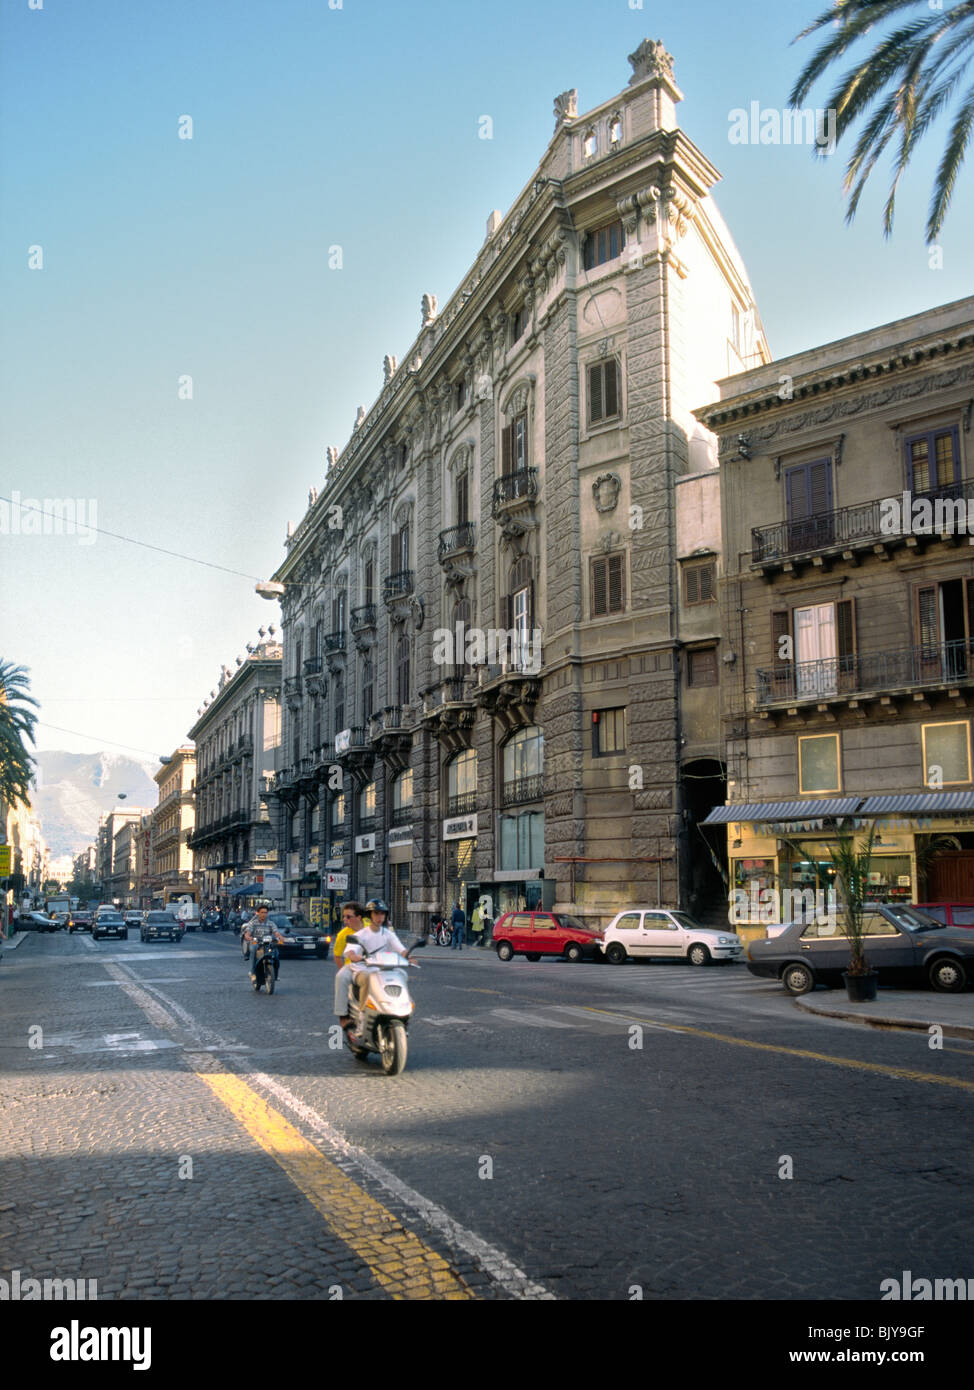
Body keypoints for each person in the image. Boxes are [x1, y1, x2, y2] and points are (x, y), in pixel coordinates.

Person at [334, 900, 409, 1031]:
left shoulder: (377, 928)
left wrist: (408, 955)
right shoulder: (344, 934)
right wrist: (352, 959)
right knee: (342, 976)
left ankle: (400, 1007)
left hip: (380, 965)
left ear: (359, 917)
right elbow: (340, 955)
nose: (345, 920)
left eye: (348, 917)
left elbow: (397, 946)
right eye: (344, 917)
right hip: (355, 966)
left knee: (401, 975)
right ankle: (344, 1015)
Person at [242, 903, 276, 982]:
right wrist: (249, 937)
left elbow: (276, 932)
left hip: (267, 943)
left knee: (276, 952)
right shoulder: (253, 923)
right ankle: (252, 971)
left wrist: (280, 938)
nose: (264, 914)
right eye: (262, 912)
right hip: (256, 942)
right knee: (253, 949)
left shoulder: (270, 923)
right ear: (258, 913)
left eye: (265, 912)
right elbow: (247, 933)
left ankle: (275, 973)